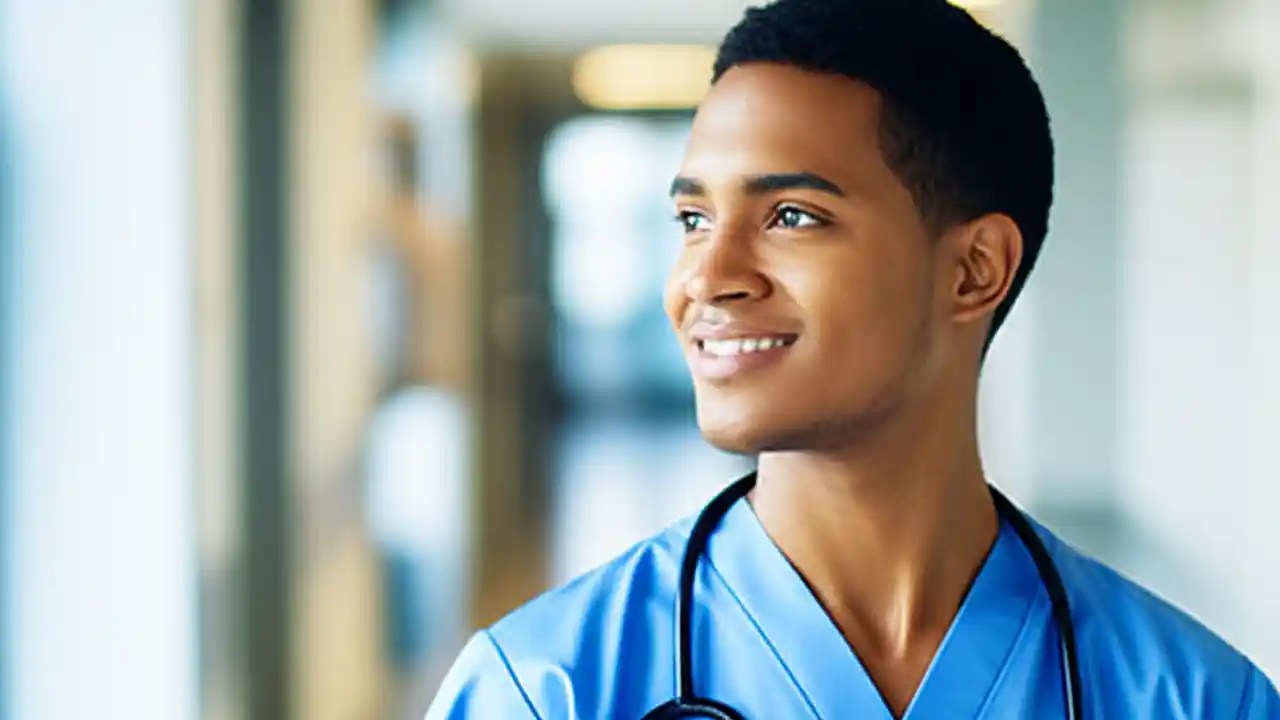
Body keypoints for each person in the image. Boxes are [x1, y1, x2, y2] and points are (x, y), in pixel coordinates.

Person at [426, 0, 1280, 716]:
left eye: (791, 215)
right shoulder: (547, 688)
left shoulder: (1194, 697)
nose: (706, 279)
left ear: (973, 270)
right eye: (692, 221)